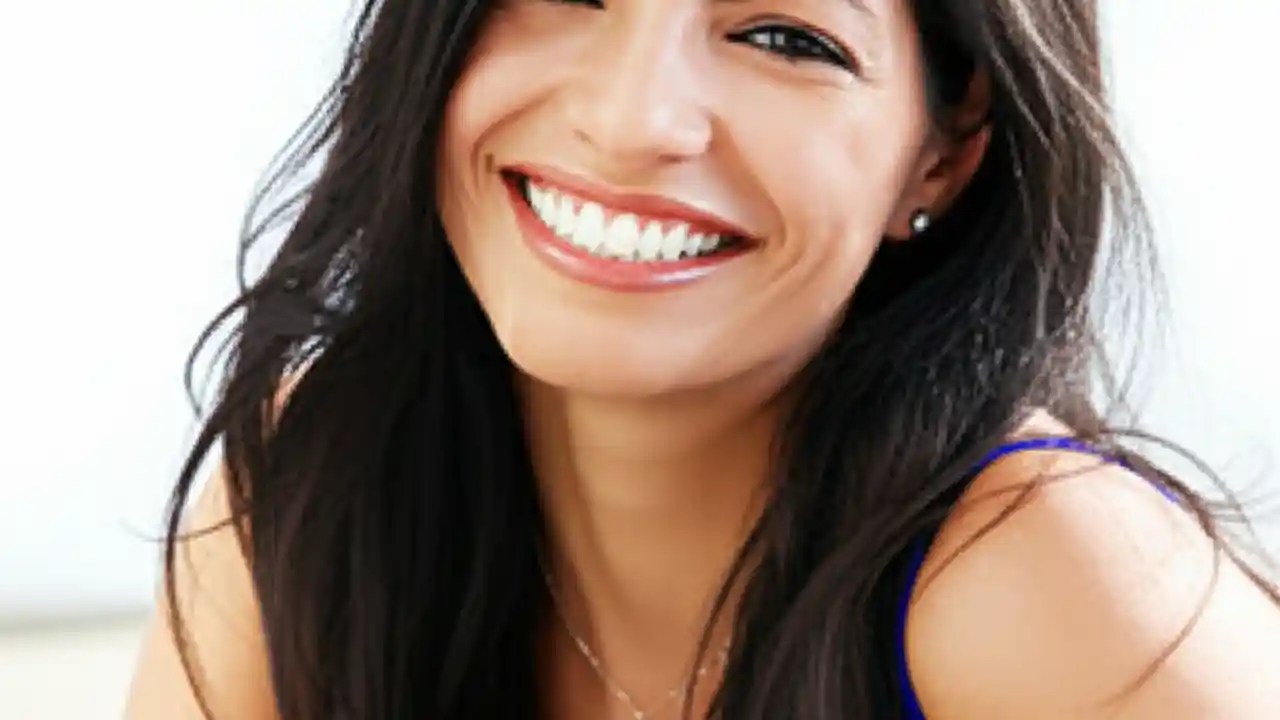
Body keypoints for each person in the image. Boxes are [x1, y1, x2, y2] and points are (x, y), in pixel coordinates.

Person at [127, 1, 1280, 718]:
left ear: (941, 153)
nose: (633, 119)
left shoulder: (1041, 573)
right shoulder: (315, 482)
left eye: (785, 38)